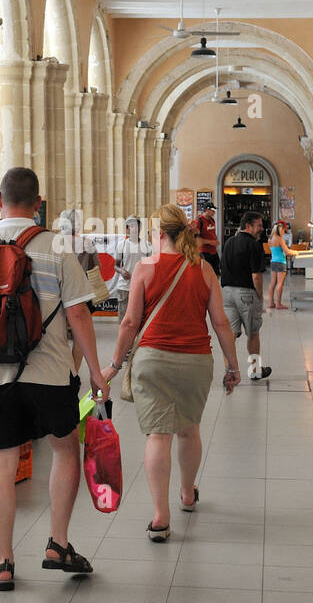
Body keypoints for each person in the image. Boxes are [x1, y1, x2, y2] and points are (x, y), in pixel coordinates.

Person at [0, 168, 109, 591]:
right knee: (64, 450)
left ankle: (3, 563)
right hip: (52, 373)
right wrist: (95, 371)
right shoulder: (57, 246)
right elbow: (78, 314)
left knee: (1, 462)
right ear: (39, 203)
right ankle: (58, 543)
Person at [103, 204, 240, 541]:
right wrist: (232, 365)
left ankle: (161, 516)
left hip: (152, 361)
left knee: (158, 436)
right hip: (195, 361)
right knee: (189, 430)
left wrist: (115, 365)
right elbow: (220, 322)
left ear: (159, 234)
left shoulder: (146, 268)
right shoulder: (204, 270)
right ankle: (188, 493)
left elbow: (130, 322)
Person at [219, 211, 272, 381]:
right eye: (259, 225)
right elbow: (256, 276)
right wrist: (260, 297)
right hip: (246, 294)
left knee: (231, 334)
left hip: (226, 293)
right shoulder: (254, 246)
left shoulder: (228, 243)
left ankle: (229, 371)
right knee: (253, 333)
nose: (262, 229)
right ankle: (255, 370)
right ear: (248, 226)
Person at [57, 208, 105, 387]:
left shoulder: (56, 243)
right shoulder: (87, 244)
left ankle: (61, 370)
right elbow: (97, 268)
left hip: (59, 294)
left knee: (59, 333)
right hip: (81, 294)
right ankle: (74, 372)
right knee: (79, 336)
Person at [113, 216, 153, 314]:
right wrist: (122, 271)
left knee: (140, 316)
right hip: (125, 286)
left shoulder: (147, 245)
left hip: (142, 286)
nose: (134, 228)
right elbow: (116, 265)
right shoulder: (121, 245)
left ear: (140, 227)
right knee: (124, 318)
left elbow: (151, 266)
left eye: (137, 225)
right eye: (131, 226)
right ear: (127, 228)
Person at [267, 220, 296, 309]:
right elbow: (287, 251)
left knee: (272, 283)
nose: (284, 232)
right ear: (281, 229)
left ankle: (271, 303)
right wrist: (296, 252)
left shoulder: (270, 238)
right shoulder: (279, 238)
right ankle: (278, 304)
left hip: (273, 262)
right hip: (281, 262)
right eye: (284, 230)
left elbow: (274, 252)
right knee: (280, 283)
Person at [192, 204, 219, 275]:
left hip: (213, 251)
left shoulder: (212, 220)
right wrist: (210, 242)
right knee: (206, 274)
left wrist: (215, 239)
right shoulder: (198, 221)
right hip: (203, 252)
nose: (214, 213)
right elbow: (195, 239)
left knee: (216, 273)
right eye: (212, 211)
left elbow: (212, 232)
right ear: (207, 210)